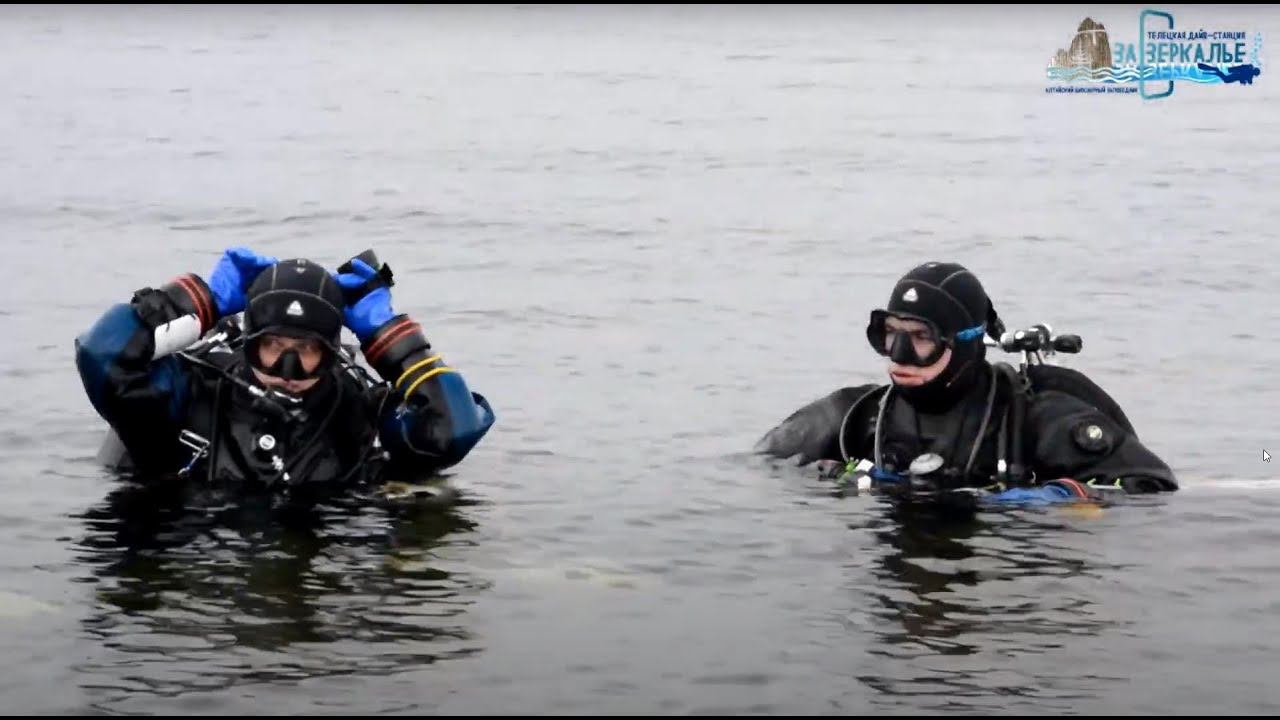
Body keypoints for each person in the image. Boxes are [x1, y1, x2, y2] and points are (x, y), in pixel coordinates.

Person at [74, 246, 495, 496]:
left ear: (332, 352)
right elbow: (101, 356)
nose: (287, 368)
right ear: (249, 342)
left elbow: (451, 431)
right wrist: (202, 301)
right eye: (272, 346)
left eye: (307, 350)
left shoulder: (357, 412)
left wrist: (389, 339)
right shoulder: (193, 394)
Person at [754, 261, 1177, 504]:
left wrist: (1065, 498)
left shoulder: (1032, 419)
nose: (899, 355)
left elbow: (1153, 487)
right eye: (892, 335)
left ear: (967, 343)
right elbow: (756, 466)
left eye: (921, 338)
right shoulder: (858, 417)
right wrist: (816, 476)